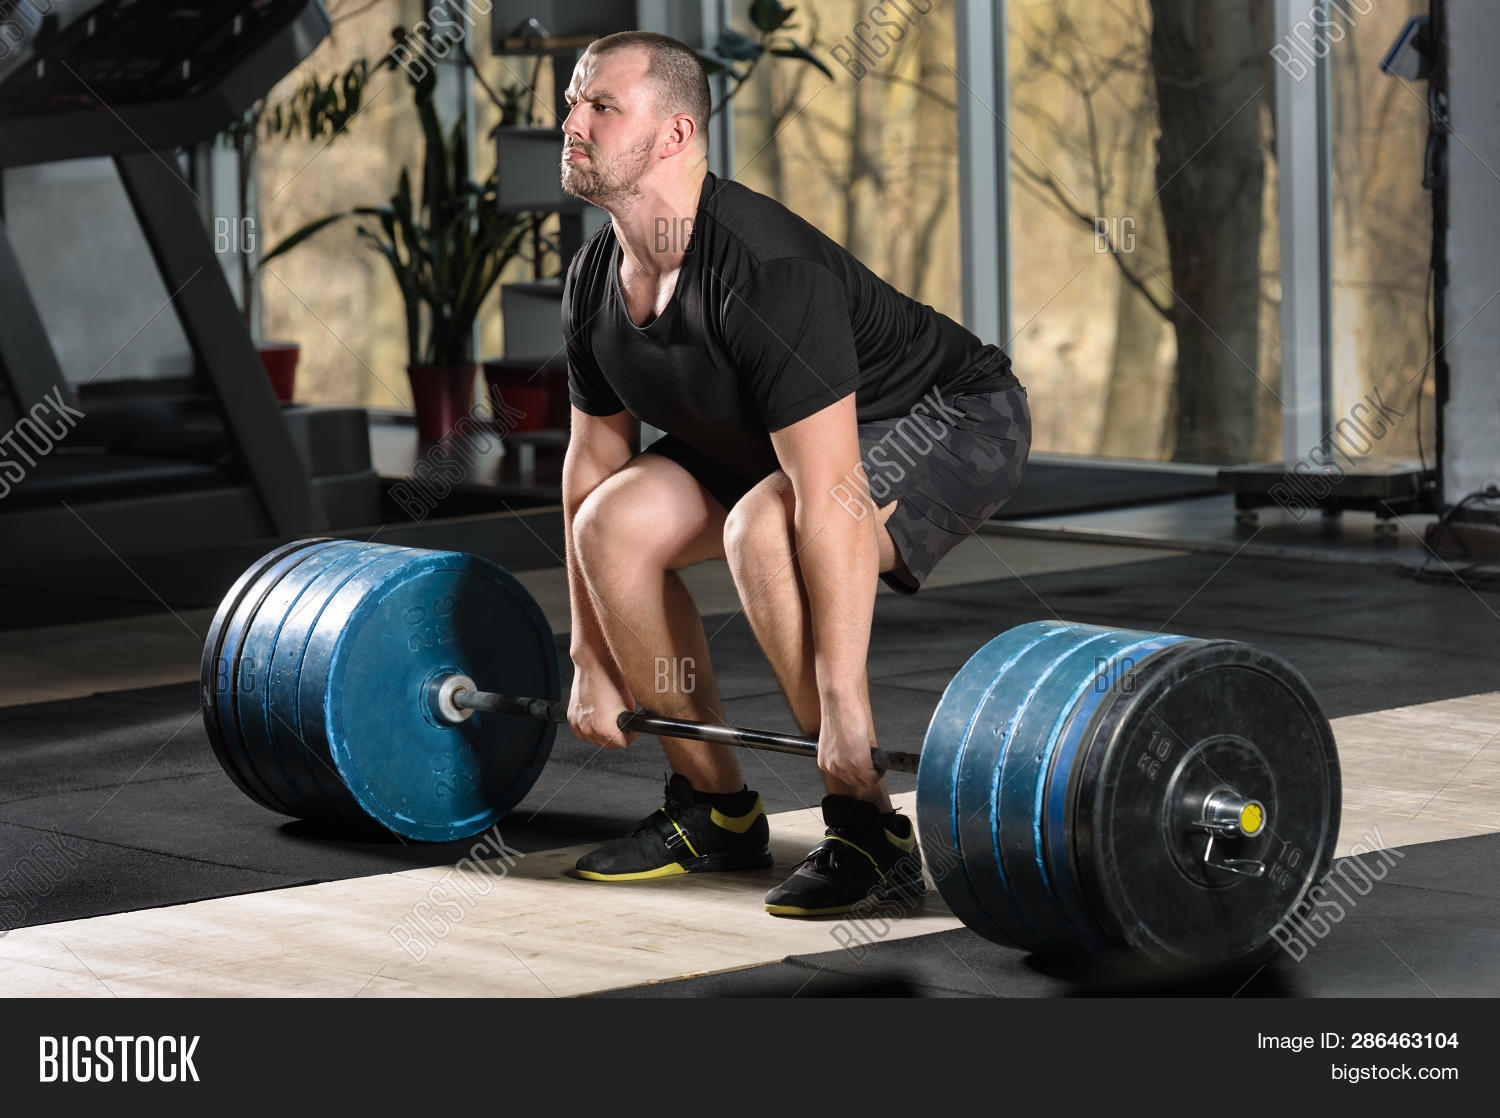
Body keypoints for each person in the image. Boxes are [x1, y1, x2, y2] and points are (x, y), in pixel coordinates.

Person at [557, 30, 1029, 916]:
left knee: (763, 526)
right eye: (575, 102)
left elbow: (829, 495)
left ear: (675, 135)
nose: (571, 121)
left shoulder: (764, 269)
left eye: (601, 105)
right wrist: (589, 652)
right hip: (762, 440)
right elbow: (593, 463)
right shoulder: (594, 281)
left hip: (951, 414)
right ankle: (717, 811)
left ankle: (866, 826)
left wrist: (845, 702)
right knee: (610, 525)